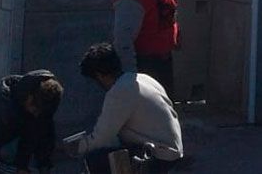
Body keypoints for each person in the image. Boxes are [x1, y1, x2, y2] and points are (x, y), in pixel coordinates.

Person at [70, 42, 184, 173]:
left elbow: (102, 138)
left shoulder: (119, 92)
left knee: (95, 160)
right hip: (171, 151)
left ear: (100, 75)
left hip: (159, 157)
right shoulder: (143, 78)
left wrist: (75, 148)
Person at [113, 0, 182, 100]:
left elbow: (169, 7)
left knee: (167, 104)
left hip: (164, 58)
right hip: (145, 64)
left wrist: (176, 34)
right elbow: (123, 41)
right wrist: (132, 79)